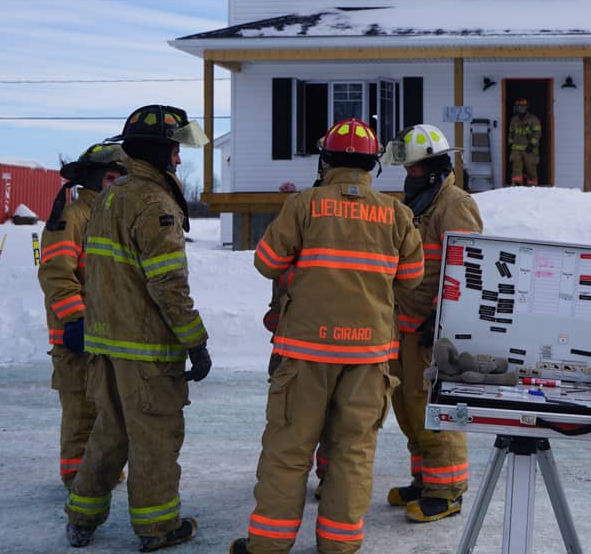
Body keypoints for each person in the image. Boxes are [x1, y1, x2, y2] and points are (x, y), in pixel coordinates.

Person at [230, 119, 424, 554]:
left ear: (326, 160)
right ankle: (339, 546)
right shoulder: (395, 212)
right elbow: (412, 277)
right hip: (369, 356)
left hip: (304, 353)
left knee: (288, 449)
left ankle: (268, 546)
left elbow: (266, 262)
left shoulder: (304, 205)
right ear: (372, 166)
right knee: (352, 453)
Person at [65, 105, 211, 552]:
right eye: (175, 151)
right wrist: (196, 342)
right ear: (160, 152)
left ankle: (82, 517)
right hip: (144, 351)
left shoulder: (112, 195)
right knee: (154, 439)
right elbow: (168, 284)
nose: (180, 160)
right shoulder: (154, 203)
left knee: (109, 432)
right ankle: (158, 527)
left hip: (106, 344)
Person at [381, 123, 483, 522]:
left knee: (434, 409)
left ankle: (448, 491)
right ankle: (424, 480)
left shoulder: (454, 203)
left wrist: (442, 318)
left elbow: (468, 266)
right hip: (403, 325)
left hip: (432, 329)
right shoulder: (416, 204)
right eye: (407, 169)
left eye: (415, 169)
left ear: (437, 166)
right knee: (407, 407)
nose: (409, 176)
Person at [39, 142, 127, 489]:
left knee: (106, 407)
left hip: (105, 333)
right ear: (92, 179)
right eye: (109, 178)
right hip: (76, 335)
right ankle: (76, 476)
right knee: (80, 409)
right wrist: (75, 320)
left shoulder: (108, 217)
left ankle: (100, 472)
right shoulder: (71, 217)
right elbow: (56, 274)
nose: (115, 185)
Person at [507, 97, 542, 186]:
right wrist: (510, 143)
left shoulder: (533, 119)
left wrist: (532, 145)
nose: (521, 109)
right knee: (516, 168)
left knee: (531, 168)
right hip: (516, 149)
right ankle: (516, 185)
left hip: (529, 149)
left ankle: (532, 186)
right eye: (519, 107)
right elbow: (511, 132)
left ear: (527, 108)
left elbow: (537, 133)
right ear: (516, 108)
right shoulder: (514, 119)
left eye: (523, 107)